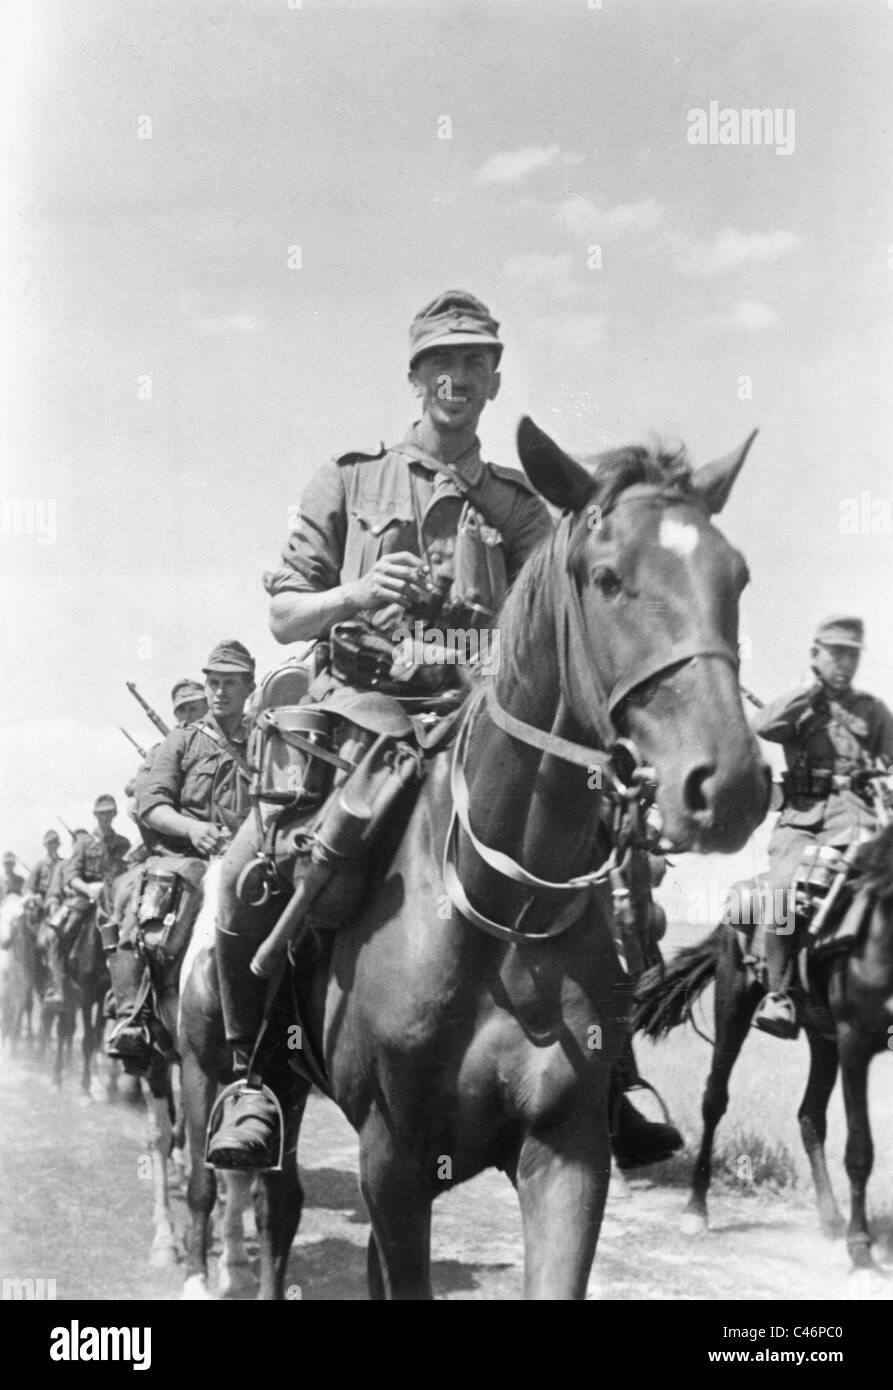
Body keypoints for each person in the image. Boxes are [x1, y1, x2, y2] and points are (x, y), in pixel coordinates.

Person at [207, 289, 680, 1171]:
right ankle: (252, 1078)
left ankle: (607, 1082)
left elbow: (566, 620)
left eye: (474, 362)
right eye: (440, 362)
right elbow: (282, 615)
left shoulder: (520, 507)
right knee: (255, 867)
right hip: (364, 713)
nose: (455, 377)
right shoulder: (348, 480)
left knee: (609, 862)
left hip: (484, 713)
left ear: (495, 380)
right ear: (414, 376)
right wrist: (355, 594)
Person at [104, 641, 255, 1064]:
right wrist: (193, 827)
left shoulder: (264, 737)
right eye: (214, 683)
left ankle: (301, 1034)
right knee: (145, 927)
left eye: (230, 683)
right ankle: (135, 1017)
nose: (220, 692)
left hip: (248, 858)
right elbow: (150, 805)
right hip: (184, 858)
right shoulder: (181, 742)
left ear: (250, 687)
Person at [751, 616, 893, 1038]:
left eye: (851, 654)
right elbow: (764, 725)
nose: (843, 663)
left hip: (859, 821)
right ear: (816, 656)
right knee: (781, 891)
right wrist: (808, 693)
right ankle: (778, 995)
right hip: (803, 823)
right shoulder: (800, 705)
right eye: (835, 653)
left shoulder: (872, 711)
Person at [25, 830, 63, 902]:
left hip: (59, 899)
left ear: (58, 845)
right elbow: (29, 886)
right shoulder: (40, 865)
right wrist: (32, 896)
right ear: (46, 846)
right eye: (50, 843)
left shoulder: (63, 863)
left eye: (55, 842)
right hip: (42, 901)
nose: (53, 846)